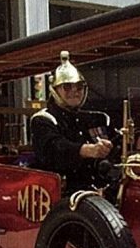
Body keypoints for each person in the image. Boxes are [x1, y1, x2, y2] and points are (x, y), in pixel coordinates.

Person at [31, 51, 117, 192]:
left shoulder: (99, 118)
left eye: (79, 86)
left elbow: (117, 146)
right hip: (64, 193)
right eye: (67, 87)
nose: (74, 91)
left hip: (102, 188)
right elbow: (53, 149)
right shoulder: (44, 119)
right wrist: (87, 150)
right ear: (55, 90)